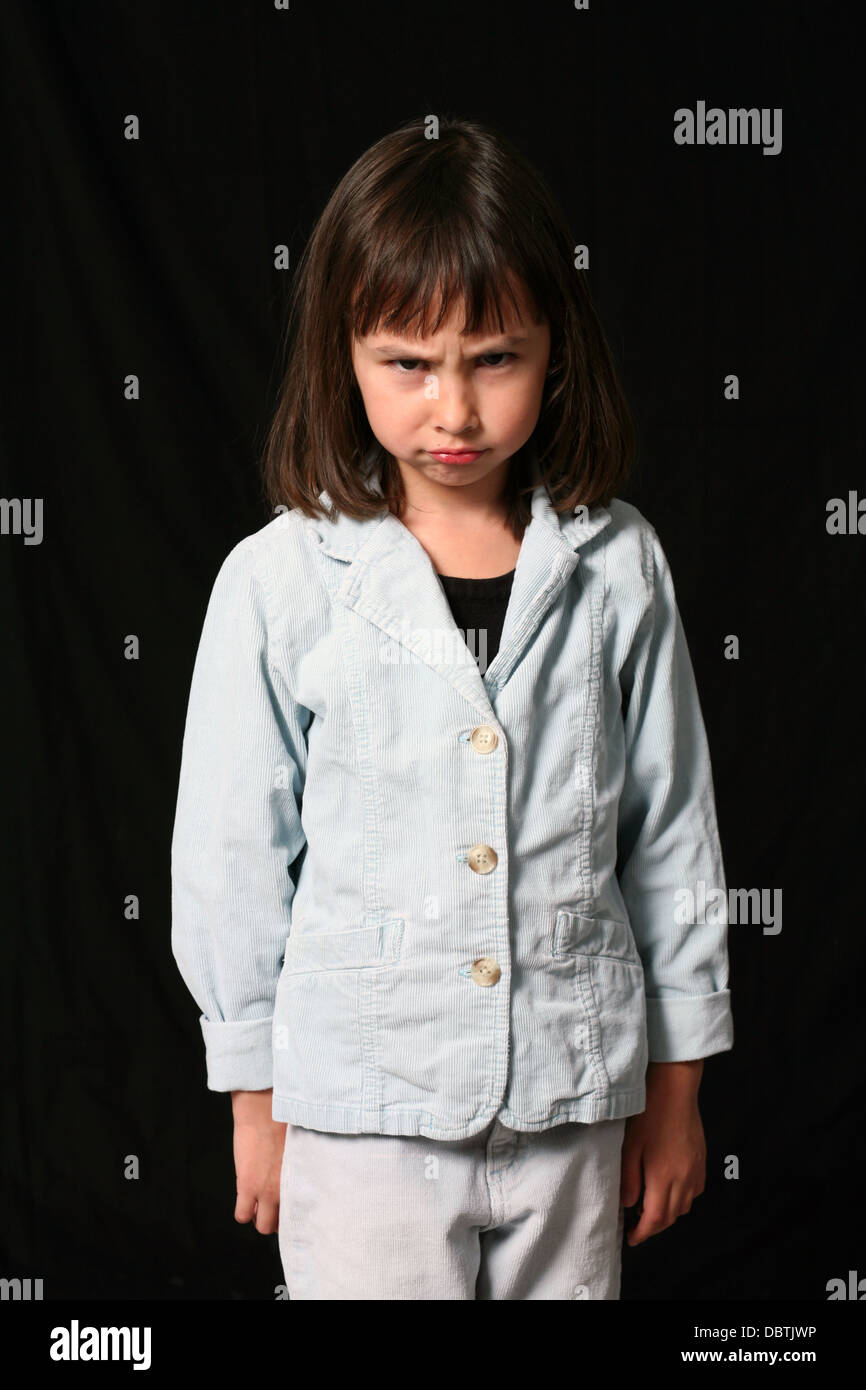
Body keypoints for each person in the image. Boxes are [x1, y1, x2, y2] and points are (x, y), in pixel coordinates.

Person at [170, 116, 734, 1300]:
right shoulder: (278, 581)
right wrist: (255, 1098)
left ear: (555, 348)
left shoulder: (619, 567)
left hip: (570, 1097)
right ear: (342, 353)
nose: (454, 412)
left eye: (493, 359)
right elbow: (230, 859)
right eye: (407, 364)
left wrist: (675, 1090)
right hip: (361, 1111)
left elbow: (671, 833)